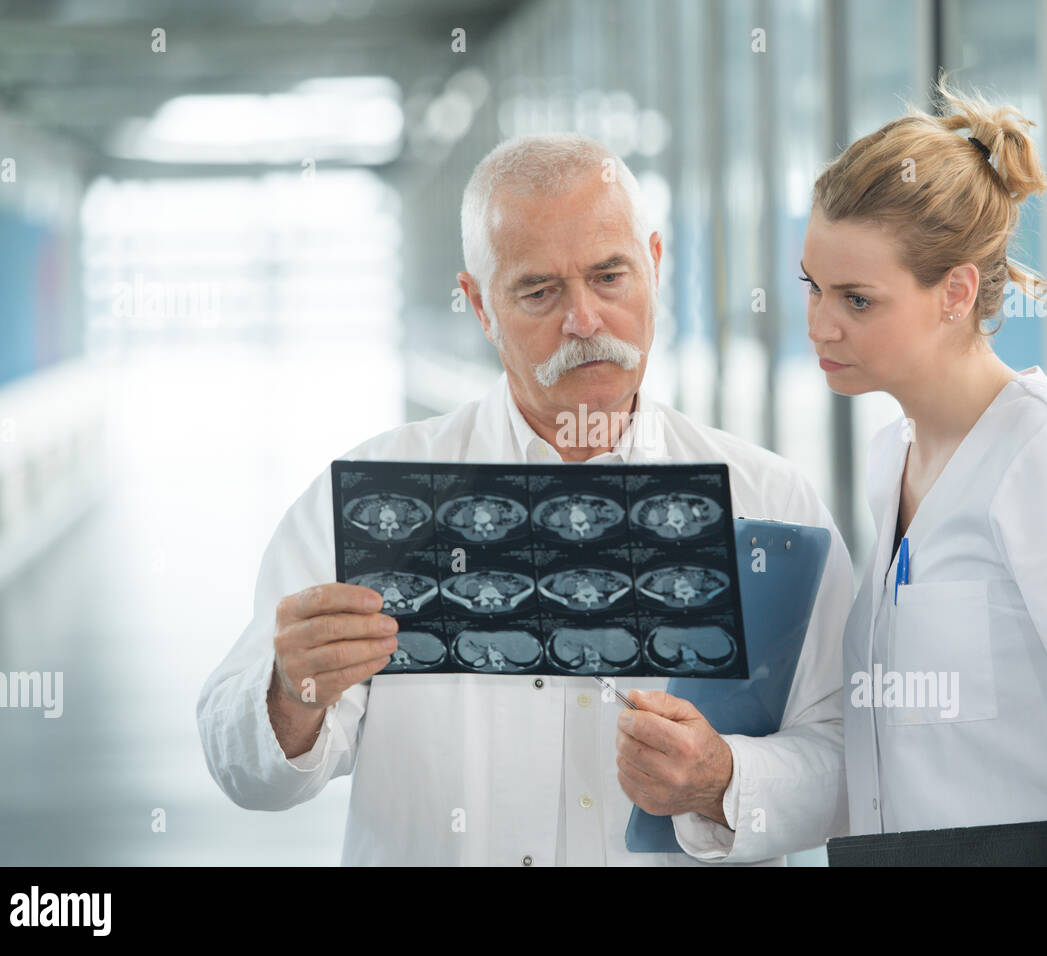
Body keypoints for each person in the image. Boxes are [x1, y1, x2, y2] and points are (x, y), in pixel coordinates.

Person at [197, 132, 855, 866]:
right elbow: (242, 768)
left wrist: (726, 781)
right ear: (479, 305)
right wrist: (292, 693)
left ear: (657, 265)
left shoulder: (771, 500)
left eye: (610, 276)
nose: (584, 320)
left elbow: (850, 758)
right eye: (539, 291)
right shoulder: (373, 502)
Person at [800, 75, 1047, 865]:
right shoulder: (889, 463)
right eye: (813, 287)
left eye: (857, 300)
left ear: (957, 293)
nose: (820, 324)